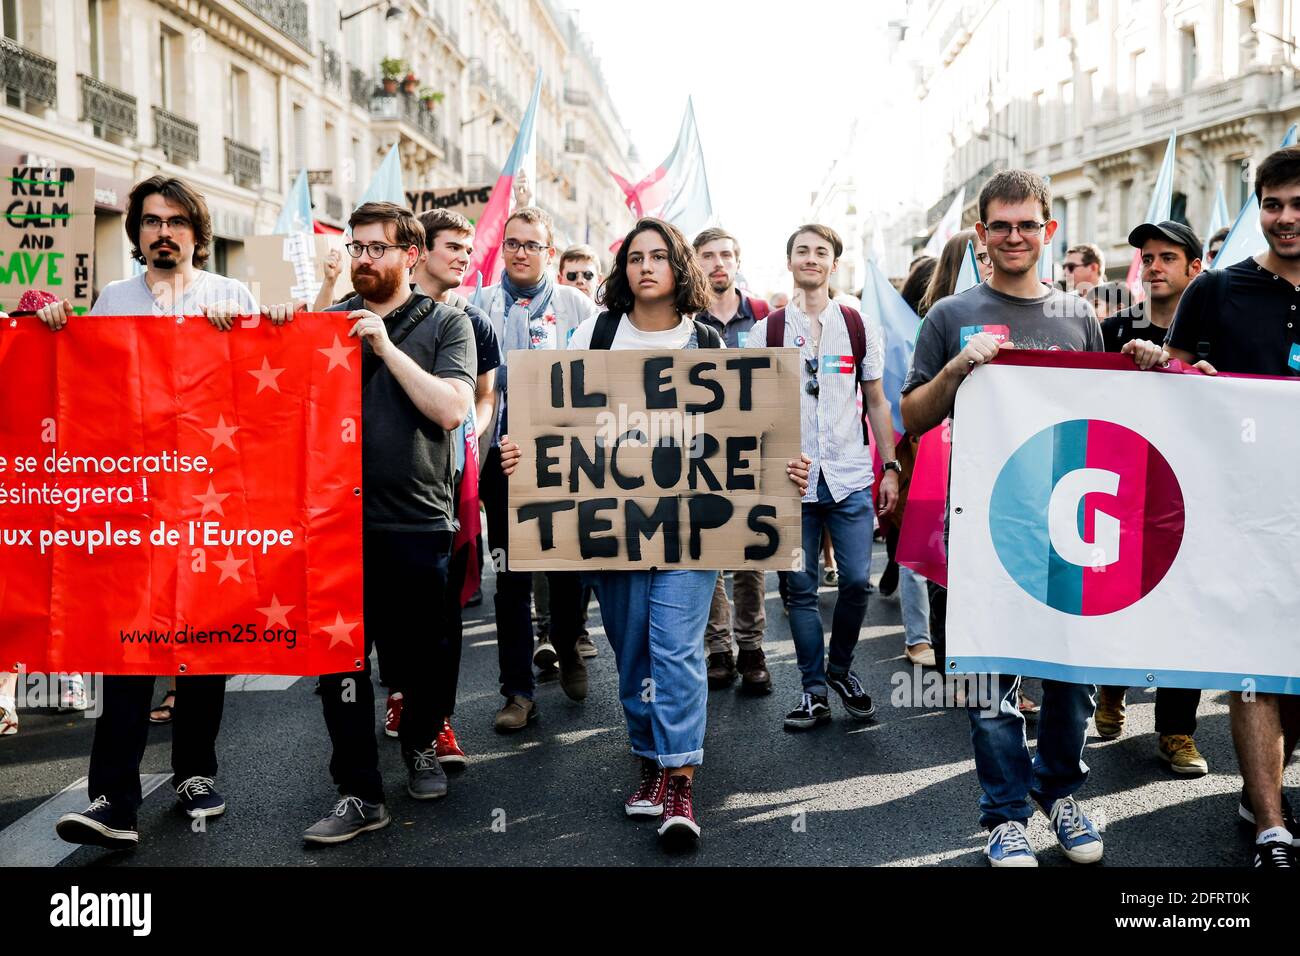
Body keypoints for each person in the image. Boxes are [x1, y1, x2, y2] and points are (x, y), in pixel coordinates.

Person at [499, 217, 810, 845]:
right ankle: (648, 757)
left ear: (678, 268)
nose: (646, 266)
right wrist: (523, 453)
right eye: (635, 257)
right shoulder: (597, 331)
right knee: (631, 646)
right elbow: (555, 417)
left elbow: (745, 433)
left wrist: (784, 467)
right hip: (610, 526)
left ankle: (680, 778)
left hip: (691, 529)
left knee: (674, 646)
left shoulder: (707, 344)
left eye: (659, 256)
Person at [901, 169, 1156, 868]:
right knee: (991, 684)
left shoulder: (1079, 315)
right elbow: (913, 416)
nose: (1014, 236)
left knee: (1070, 677)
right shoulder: (950, 315)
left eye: (1027, 224)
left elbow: (1102, 422)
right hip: (982, 529)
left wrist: (1151, 371)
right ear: (981, 234)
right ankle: (1005, 814)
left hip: (1068, 529)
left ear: (1048, 230)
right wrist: (957, 370)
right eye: (1001, 225)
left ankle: (1061, 793)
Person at [43, 175, 267, 849]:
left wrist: (260, 334)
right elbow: (82, 385)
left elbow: (266, 395)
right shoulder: (112, 300)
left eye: (175, 221)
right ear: (137, 232)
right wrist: (55, 326)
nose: (162, 232)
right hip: (134, 501)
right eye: (149, 221)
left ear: (197, 232)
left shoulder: (231, 297)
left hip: (209, 498)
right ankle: (113, 799)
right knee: (127, 648)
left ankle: (194, 773)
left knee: (203, 643)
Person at [303, 202, 476, 843]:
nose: (364, 258)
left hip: (415, 521)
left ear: (410, 254)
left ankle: (422, 746)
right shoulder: (328, 321)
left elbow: (453, 409)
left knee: (419, 659)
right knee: (340, 666)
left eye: (378, 247)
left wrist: (383, 344)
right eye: (357, 247)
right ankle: (358, 792)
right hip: (336, 525)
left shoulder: (447, 324)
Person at [1159, 145, 1300, 867]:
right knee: (1257, 664)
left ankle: (1261, 784)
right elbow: (1175, 372)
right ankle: (1272, 824)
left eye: (1299, 205)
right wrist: (1185, 371)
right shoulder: (1215, 288)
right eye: (1273, 204)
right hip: (1244, 512)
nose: (1285, 219)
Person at [750, 224, 899, 731]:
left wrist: (892, 465)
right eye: (801, 251)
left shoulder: (858, 327)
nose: (811, 259)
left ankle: (840, 669)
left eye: (821, 252)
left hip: (851, 476)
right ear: (789, 262)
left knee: (857, 581)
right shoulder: (765, 332)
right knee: (800, 591)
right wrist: (771, 465)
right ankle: (813, 690)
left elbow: (877, 402)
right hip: (790, 484)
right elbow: (750, 412)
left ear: (834, 264)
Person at [1090, 220, 1209, 776]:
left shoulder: (1214, 329)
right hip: (1122, 487)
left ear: (1195, 267)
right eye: (1147, 257)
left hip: (1191, 492)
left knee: (1186, 607)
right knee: (1120, 599)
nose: (1154, 266)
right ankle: (1111, 690)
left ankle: (1177, 729)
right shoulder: (1113, 328)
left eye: (1167, 256)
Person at [476, 207, 600, 730]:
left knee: (568, 573)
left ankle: (570, 642)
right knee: (510, 578)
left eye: (531, 244)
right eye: (512, 243)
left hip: (562, 465)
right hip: (498, 462)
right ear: (502, 248)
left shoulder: (576, 306)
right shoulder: (477, 304)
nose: (520, 252)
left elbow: (596, 379)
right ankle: (518, 693)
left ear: (549, 253)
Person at [408, 207, 505, 767]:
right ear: (418, 250)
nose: (464, 258)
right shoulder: (382, 314)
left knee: (445, 612)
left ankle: (436, 721)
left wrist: (475, 431)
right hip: (387, 489)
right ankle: (401, 694)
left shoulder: (475, 323)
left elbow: (487, 392)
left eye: (469, 251)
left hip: (453, 481)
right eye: (453, 247)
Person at [691, 226, 774, 692]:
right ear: (696, 262)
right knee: (706, 554)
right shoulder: (686, 321)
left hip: (750, 451)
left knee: (750, 555)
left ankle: (752, 649)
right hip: (700, 453)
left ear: (738, 260)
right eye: (708, 255)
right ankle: (718, 649)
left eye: (725, 254)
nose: (718, 262)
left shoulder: (762, 317)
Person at [918, 228, 984, 316]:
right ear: (959, 264)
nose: (992, 264)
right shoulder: (937, 319)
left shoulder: (1001, 308)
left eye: (993, 257)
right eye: (982, 257)